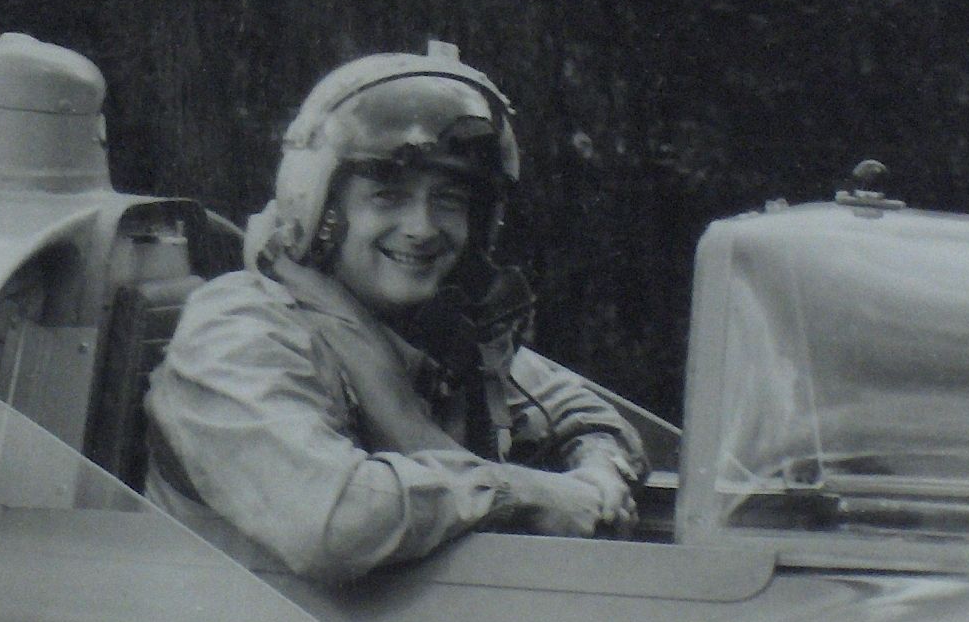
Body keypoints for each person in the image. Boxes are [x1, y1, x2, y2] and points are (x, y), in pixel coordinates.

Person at [145, 43, 646, 583]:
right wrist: (519, 494)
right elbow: (333, 520)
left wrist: (598, 477)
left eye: (448, 200)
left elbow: (589, 417)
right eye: (388, 195)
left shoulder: (432, 333)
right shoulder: (240, 332)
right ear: (322, 207)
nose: (422, 227)